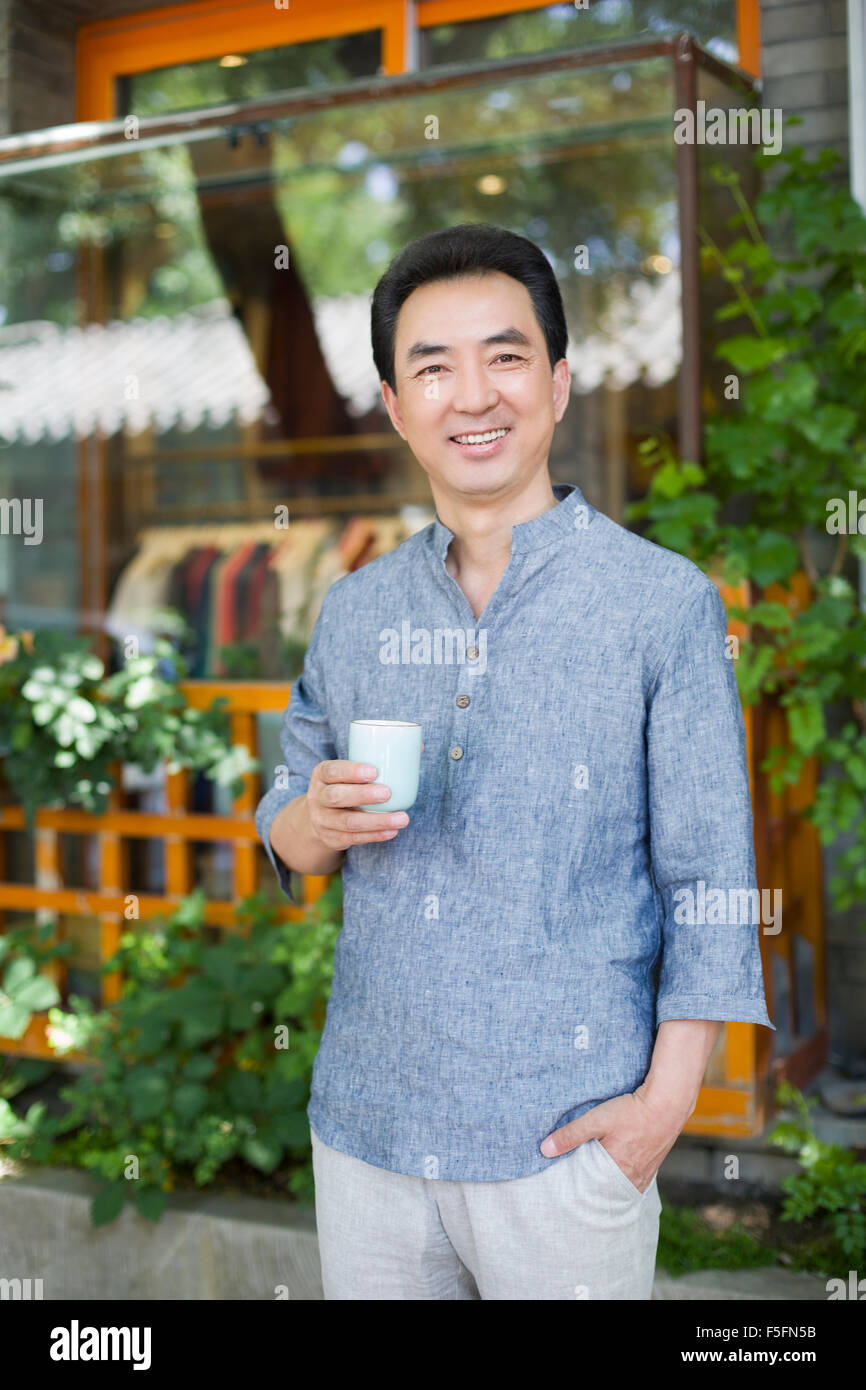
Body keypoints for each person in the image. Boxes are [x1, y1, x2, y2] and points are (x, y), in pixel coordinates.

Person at [254, 223, 775, 1300]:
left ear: (558, 381)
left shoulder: (657, 603)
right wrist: (312, 819)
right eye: (430, 367)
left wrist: (658, 1113)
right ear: (396, 408)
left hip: (565, 1141)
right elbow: (285, 820)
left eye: (504, 356)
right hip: (367, 1132)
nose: (472, 395)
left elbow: (710, 876)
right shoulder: (355, 612)